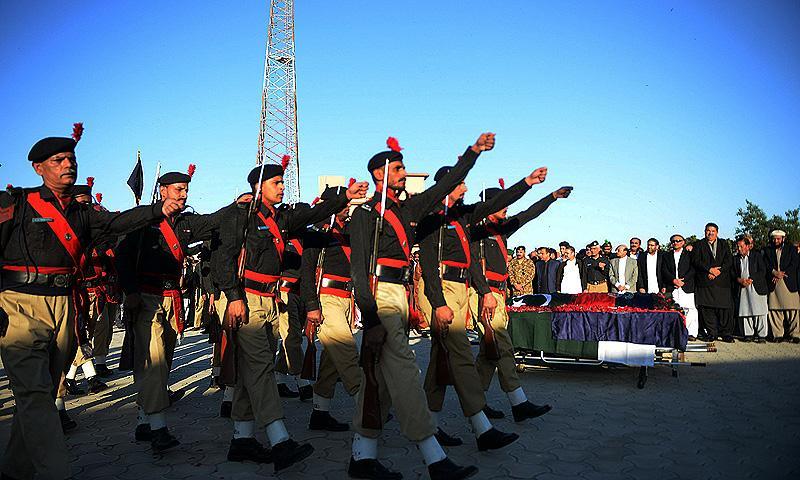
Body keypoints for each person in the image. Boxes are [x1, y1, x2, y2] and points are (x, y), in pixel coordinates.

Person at [0, 128, 181, 479]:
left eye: (72, 159)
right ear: (39, 168)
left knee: (39, 394)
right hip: (19, 305)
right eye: (59, 161)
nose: (68, 165)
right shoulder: (17, 204)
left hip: (63, 307)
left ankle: (14, 470)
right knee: (37, 395)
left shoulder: (83, 214)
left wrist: (158, 209)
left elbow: (118, 222)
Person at [348, 135, 493, 480]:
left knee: (379, 381)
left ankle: (362, 456)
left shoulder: (408, 209)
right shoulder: (365, 215)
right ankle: (434, 458)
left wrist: (472, 153)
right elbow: (358, 272)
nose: (404, 173)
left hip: (399, 291)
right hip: (379, 296)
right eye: (398, 168)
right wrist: (370, 320)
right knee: (404, 373)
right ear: (379, 174)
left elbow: (446, 185)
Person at [213, 161, 365, 471]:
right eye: (276, 183)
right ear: (259, 187)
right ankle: (280, 439)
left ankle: (242, 440)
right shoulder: (239, 216)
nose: (282, 187)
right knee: (261, 369)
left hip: (269, 300)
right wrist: (232, 296)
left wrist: (345, 198)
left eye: (283, 182)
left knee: (250, 371)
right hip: (247, 298)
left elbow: (313, 214)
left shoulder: (282, 218)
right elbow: (223, 258)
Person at [417, 164, 549, 449]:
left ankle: (431, 423)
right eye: (460, 184)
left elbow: (471, 263)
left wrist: (535, 187)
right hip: (442, 291)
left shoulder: (463, 220)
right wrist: (439, 303)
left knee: (444, 358)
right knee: (462, 355)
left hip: (467, 290)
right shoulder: (432, 219)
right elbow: (428, 264)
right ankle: (483, 426)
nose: (465, 188)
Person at [117, 166, 228, 453]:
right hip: (146, 296)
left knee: (163, 358)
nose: (184, 194)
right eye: (178, 189)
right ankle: (158, 427)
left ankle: (143, 419)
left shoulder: (185, 222)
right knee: (153, 359)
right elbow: (124, 258)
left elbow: (215, 220)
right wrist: (129, 292)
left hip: (171, 297)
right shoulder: (142, 222)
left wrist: (239, 206)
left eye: (186, 189)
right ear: (163, 190)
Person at [470, 185, 571, 420]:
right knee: (503, 346)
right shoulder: (476, 232)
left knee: (488, 352)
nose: (507, 208)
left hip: (498, 295)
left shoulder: (501, 231)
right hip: (484, 295)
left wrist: (552, 197)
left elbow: (529, 213)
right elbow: (473, 265)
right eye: (502, 203)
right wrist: (485, 292)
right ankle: (518, 403)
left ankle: (476, 402)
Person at [300, 185, 359, 432]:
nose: (346, 206)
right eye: (341, 202)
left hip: (346, 298)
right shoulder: (318, 232)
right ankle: (366, 406)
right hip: (326, 299)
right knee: (347, 351)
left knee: (332, 361)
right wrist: (311, 306)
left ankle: (319, 413)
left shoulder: (348, 231)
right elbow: (306, 272)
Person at [692, 223, 735, 342]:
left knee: (724, 310)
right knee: (707, 310)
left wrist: (718, 272)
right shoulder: (699, 244)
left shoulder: (724, 244)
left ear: (717, 232)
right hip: (705, 281)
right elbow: (696, 261)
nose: (710, 233)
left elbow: (729, 260)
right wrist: (709, 270)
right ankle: (712, 333)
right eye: (708, 230)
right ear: (704, 231)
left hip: (722, 282)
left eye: (713, 231)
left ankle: (726, 334)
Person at [764, 230, 800, 343]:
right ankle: (777, 335)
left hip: (788, 282)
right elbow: (765, 264)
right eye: (774, 239)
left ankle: (795, 334)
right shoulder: (767, 250)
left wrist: (781, 274)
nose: (776, 241)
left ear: (783, 239)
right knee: (775, 310)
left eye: (778, 239)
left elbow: (795, 264)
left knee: (793, 310)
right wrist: (774, 272)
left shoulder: (791, 249)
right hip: (774, 283)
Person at [661, 234, 698, 340]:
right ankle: (675, 333)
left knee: (691, 309)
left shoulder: (690, 254)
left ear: (683, 242)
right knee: (674, 310)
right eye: (673, 241)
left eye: (678, 241)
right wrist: (673, 280)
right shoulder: (666, 256)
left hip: (687, 286)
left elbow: (693, 269)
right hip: (672, 286)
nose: (675, 243)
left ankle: (691, 333)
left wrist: (683, 281)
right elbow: (664, 270)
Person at [733, 235, 769, 342]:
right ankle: (748, 334)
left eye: (741, 246)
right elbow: (732, 273)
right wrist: (739, 280)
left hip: (756, 286)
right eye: (738, 247)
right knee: (745, 311)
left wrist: (751, 279)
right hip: (743, 287)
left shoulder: (757, 256)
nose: (739, 249)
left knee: (760, 312)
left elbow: (762, 270)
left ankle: (762, 335)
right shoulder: (735, 258)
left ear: (748, 246)